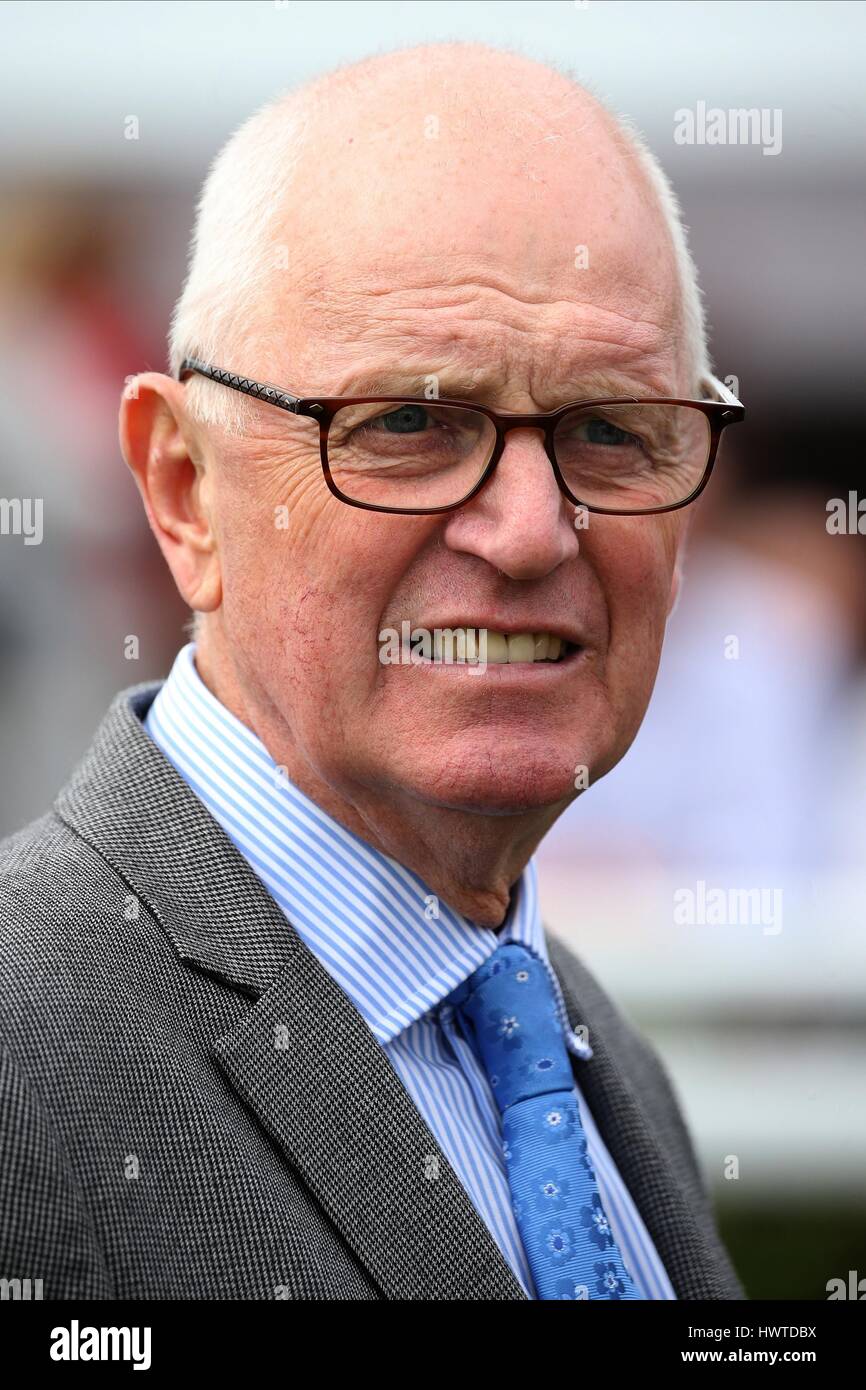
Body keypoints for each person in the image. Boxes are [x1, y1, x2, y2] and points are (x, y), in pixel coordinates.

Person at [0, 41, 745, 1300]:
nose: (526, 527)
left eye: (610, 430)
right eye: (407, 423)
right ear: (184, 493)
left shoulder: (585, 1057)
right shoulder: (25, 1055)